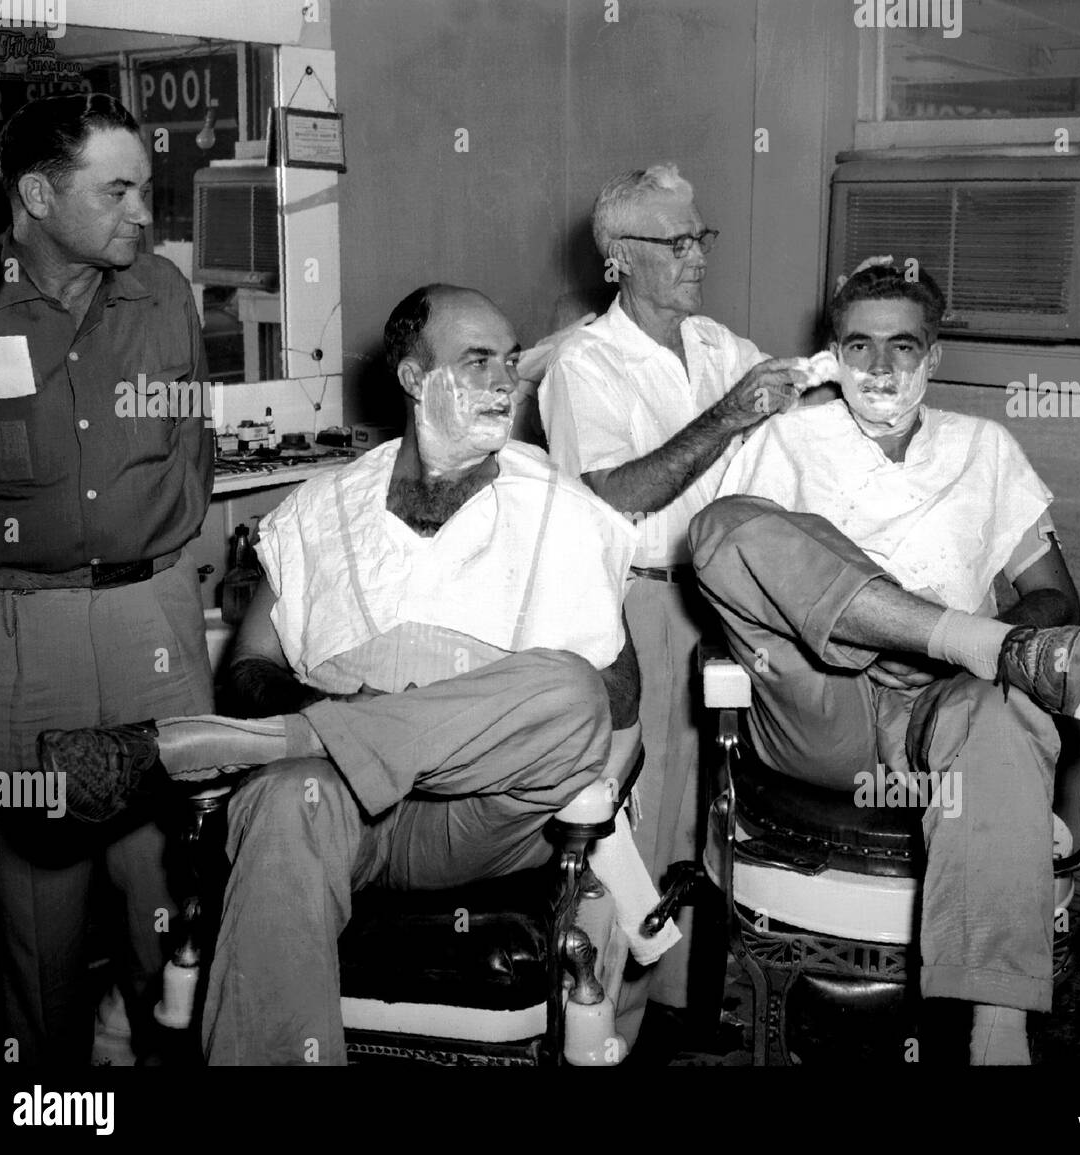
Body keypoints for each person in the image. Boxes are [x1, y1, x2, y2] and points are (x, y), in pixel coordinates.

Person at [37, 284, 679, 1065]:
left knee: (571, 693)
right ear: (413, 377)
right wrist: (350, 716)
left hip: (478, 816)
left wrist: (447, 712)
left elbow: (613, 702)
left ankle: (188, 747)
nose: (505, 382)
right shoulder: (319, 508)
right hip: (331, 803)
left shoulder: (563, 508)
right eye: (477, 362)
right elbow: (247, 668)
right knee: (278, 798)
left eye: (511, 362)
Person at [692, 259, 1080, 1065]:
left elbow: (1055, 597)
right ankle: (965, 635)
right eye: (859, 345)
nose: (880, 368)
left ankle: (997, 1036)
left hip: (939, 709)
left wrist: (964, 663)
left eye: (903, 346)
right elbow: (731, 554)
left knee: (998, 720)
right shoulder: (787, 439)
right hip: (820, 702)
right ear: (833, 353)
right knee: (723, 526)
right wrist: (948, 637)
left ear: (934, 356)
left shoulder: (984, 448)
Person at [0, 93, 214, 1064]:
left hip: (153, 617)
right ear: (35, 194)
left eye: (145, 189)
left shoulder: (163, 293)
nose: (143, 213)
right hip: (20, 636)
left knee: (176, 887)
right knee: (37, 917)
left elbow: (189, 446)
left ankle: (166, 1051)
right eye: (117, 192)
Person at [539, 164, 811, 1041]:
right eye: (676, 240)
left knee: (710, 810)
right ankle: (602, 1018)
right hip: (637, 604)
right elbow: (618, 492)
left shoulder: (715, 345)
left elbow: (792, 400)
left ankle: (678, 1006)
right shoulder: (584, 364)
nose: (697, 255)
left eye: (702, 236)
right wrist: (732, 414)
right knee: (632, 822)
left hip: (726, 606)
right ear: (619, 258)